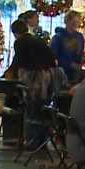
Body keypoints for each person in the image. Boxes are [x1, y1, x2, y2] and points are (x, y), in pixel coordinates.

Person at [5, 19, 61, 147]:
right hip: (48, 77)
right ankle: (42, 140)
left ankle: (31, 141)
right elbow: (52, 59)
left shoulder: (20, 42)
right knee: (42, 108)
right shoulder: (38, 40)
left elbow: (18, 61)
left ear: (15, 33)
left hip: (33, 78)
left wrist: (9, 74)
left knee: (31, 109)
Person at [51, 11, 85, 84]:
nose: (75, 24)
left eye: (77, 22)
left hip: (77, 71)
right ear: (67, 21)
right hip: (62, 72)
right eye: (73, 22)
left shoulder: (80, 37)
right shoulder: (58, 37)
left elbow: (81, 51)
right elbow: (54, 55)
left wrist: (82, 61)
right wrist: (69, 64)